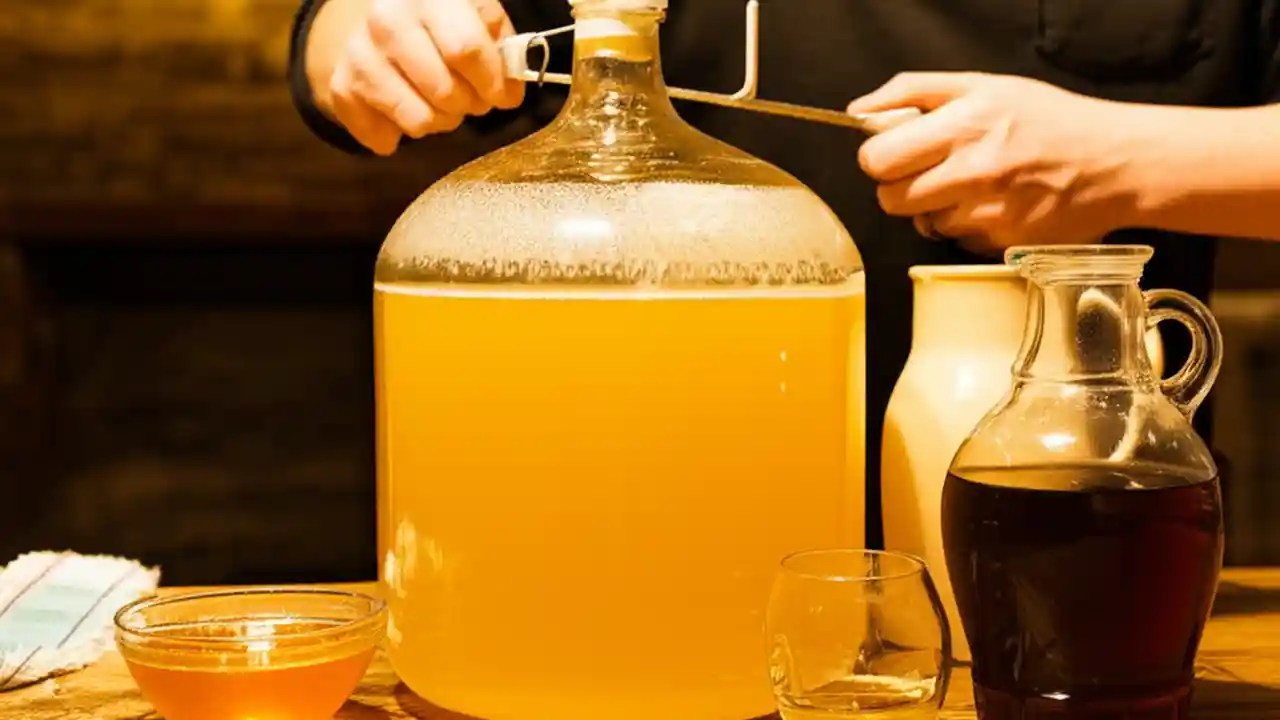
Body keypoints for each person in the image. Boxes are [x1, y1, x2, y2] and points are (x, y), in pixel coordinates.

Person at [289, 0, 1280, 543]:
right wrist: (369, 32)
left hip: (1075, 532)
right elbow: (346, 40)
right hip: (650, 523)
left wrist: (1127, 159)